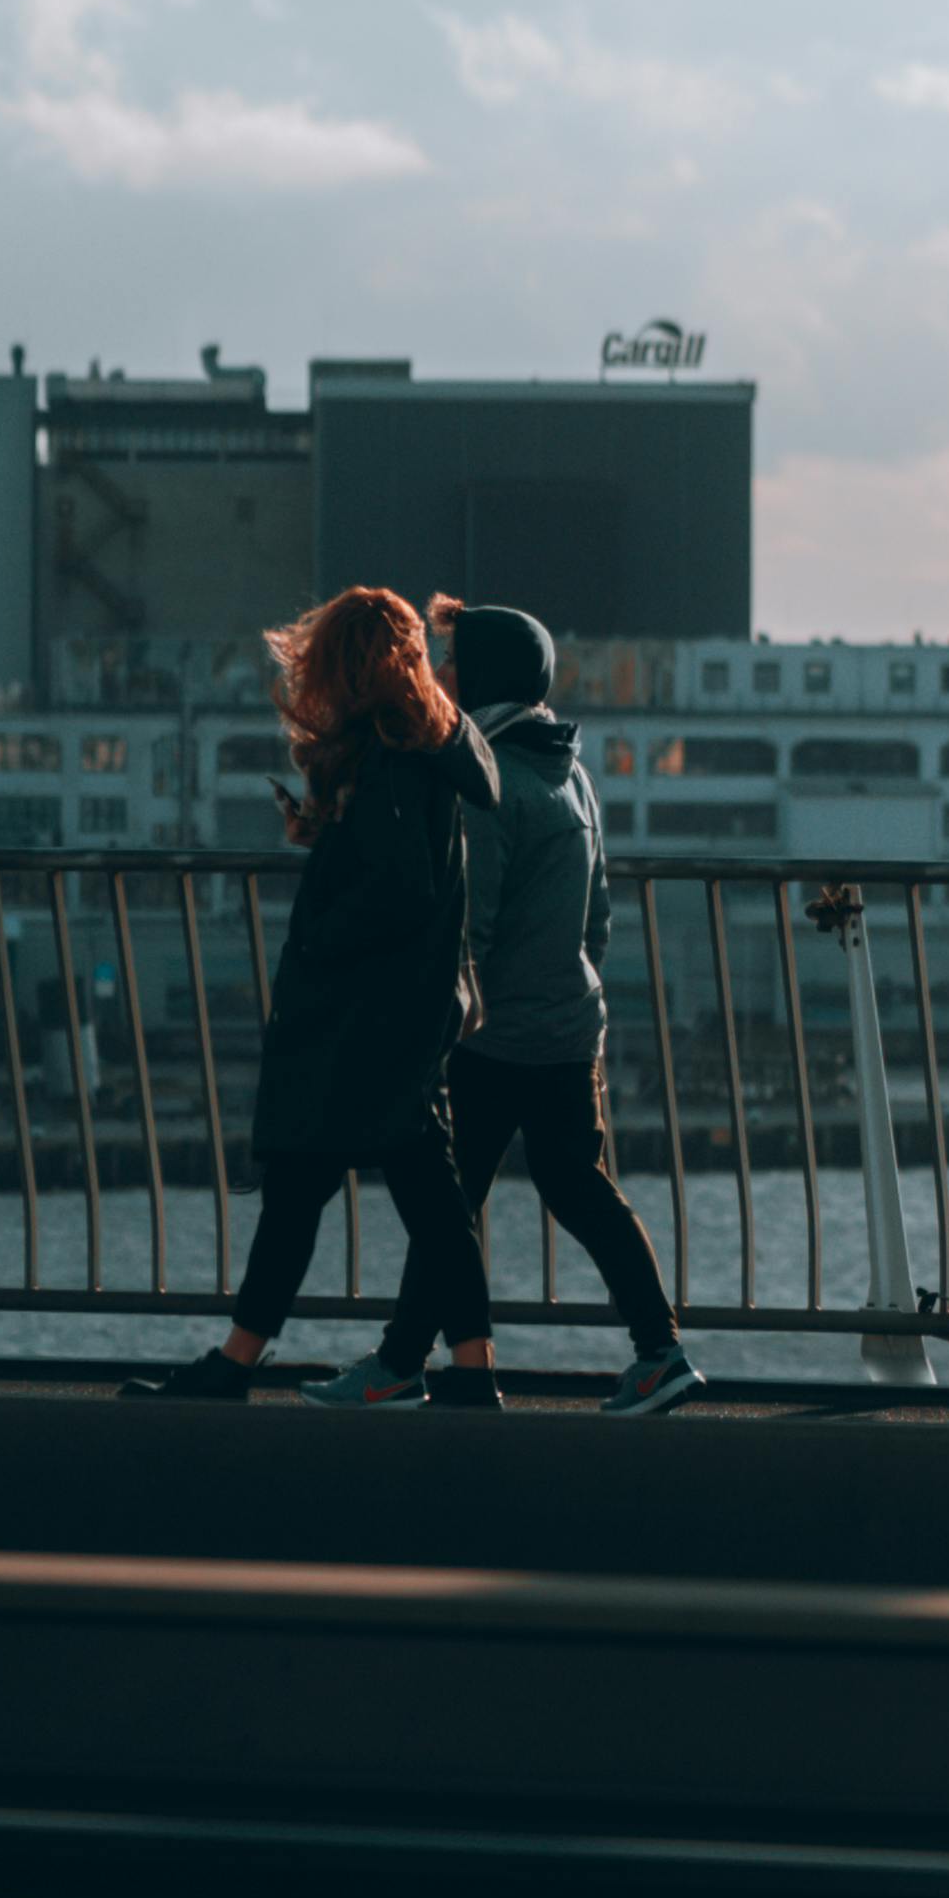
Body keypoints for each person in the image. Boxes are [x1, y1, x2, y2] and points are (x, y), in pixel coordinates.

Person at [318, 597, 703, 1418]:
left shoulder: (485, 782)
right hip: (568, 1025)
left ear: (483, 677)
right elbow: (595, 917)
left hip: (494, 1038)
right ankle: (659, 1351)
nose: (438, 674)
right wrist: (561, 988)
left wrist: (436, 1022)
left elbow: (471, 928)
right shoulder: (573, 772)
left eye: (450, 661)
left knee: (446, 1207)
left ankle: (399, 1367)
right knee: (578, 1188)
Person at [130, 584, 501, 1403]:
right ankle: (469, 1374)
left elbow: (394, 886)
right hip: (401, 1013)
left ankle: (237, 1361)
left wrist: (323, 939)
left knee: (310, 1187)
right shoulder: (424, 745)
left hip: (362, 1017)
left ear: (348, 667)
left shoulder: (391, 758)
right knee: (422, 1200)